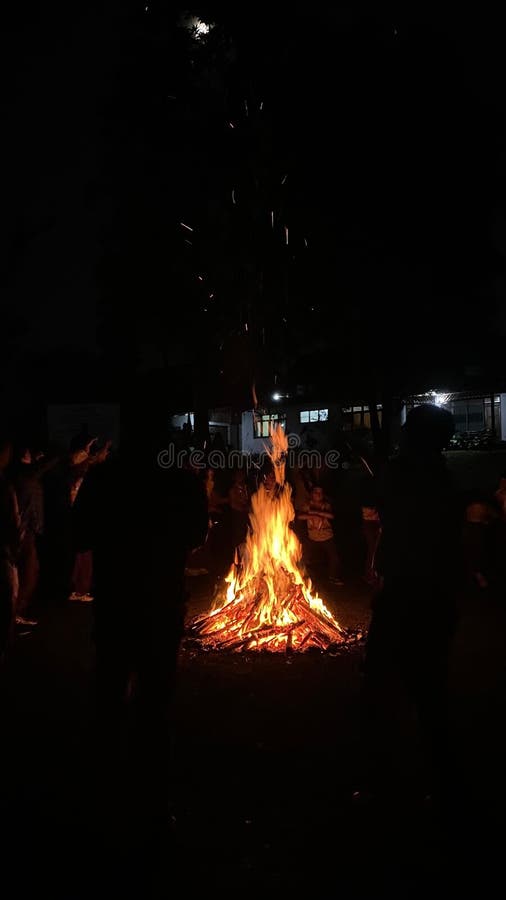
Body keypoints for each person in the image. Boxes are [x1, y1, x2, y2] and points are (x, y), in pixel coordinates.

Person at [360, 403, 459, 804]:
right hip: (434, 596)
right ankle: (440, 778)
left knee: (385, 684)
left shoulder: (408, 475)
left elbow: (386, 510)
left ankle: (391, 779)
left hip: (408, 594)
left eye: (407, 430)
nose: (401, 434)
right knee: (429, 688)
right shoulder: (441, 477)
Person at [0, 434, 21, 659]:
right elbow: (13, 523)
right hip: (4, 553)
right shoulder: (5, 487)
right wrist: (15, 549)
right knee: (7, 601)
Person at [298, 485, 343, 585]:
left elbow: (331, 515)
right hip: (312, 537)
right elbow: (300, 516)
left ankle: (333, 577)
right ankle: (301, 577)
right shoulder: (307, 505)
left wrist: (317, 512)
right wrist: (313, 515)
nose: (318, 495)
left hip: (327, 536)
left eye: (320, 493)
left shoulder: (326, 505)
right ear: (312, 494)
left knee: (334, 557)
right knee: (304, 556)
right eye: (316, 492)